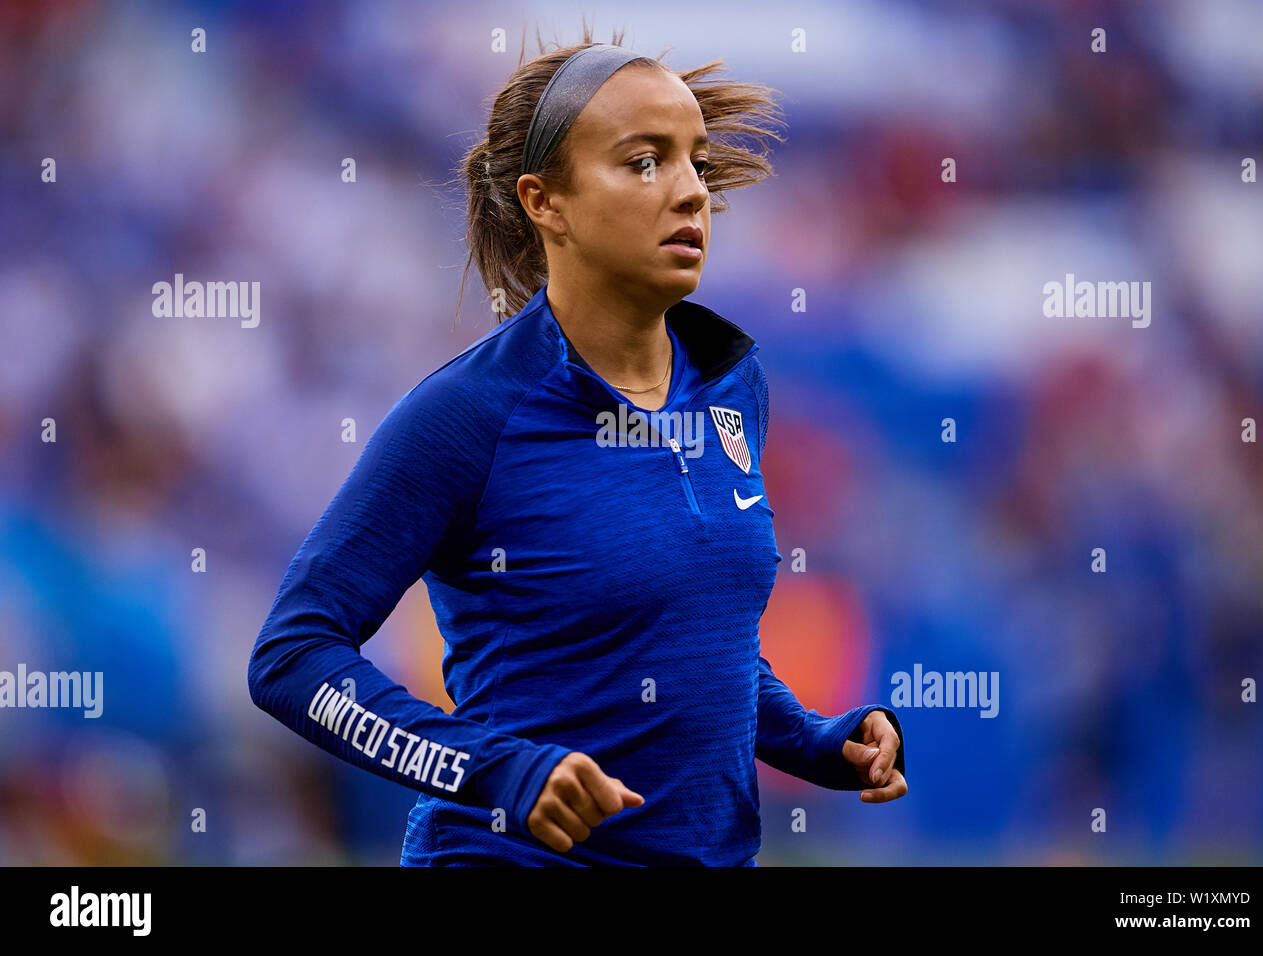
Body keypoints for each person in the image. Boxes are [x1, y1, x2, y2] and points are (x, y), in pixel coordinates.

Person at [248, 30, 907, 867]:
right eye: (644, 162)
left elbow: (703, 646)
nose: (691, 194)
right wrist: (496, 772)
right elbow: (293, 655)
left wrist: (816, 743)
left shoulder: (733, 389)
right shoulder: (468, 414)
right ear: (544, 202)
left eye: (696, 163)